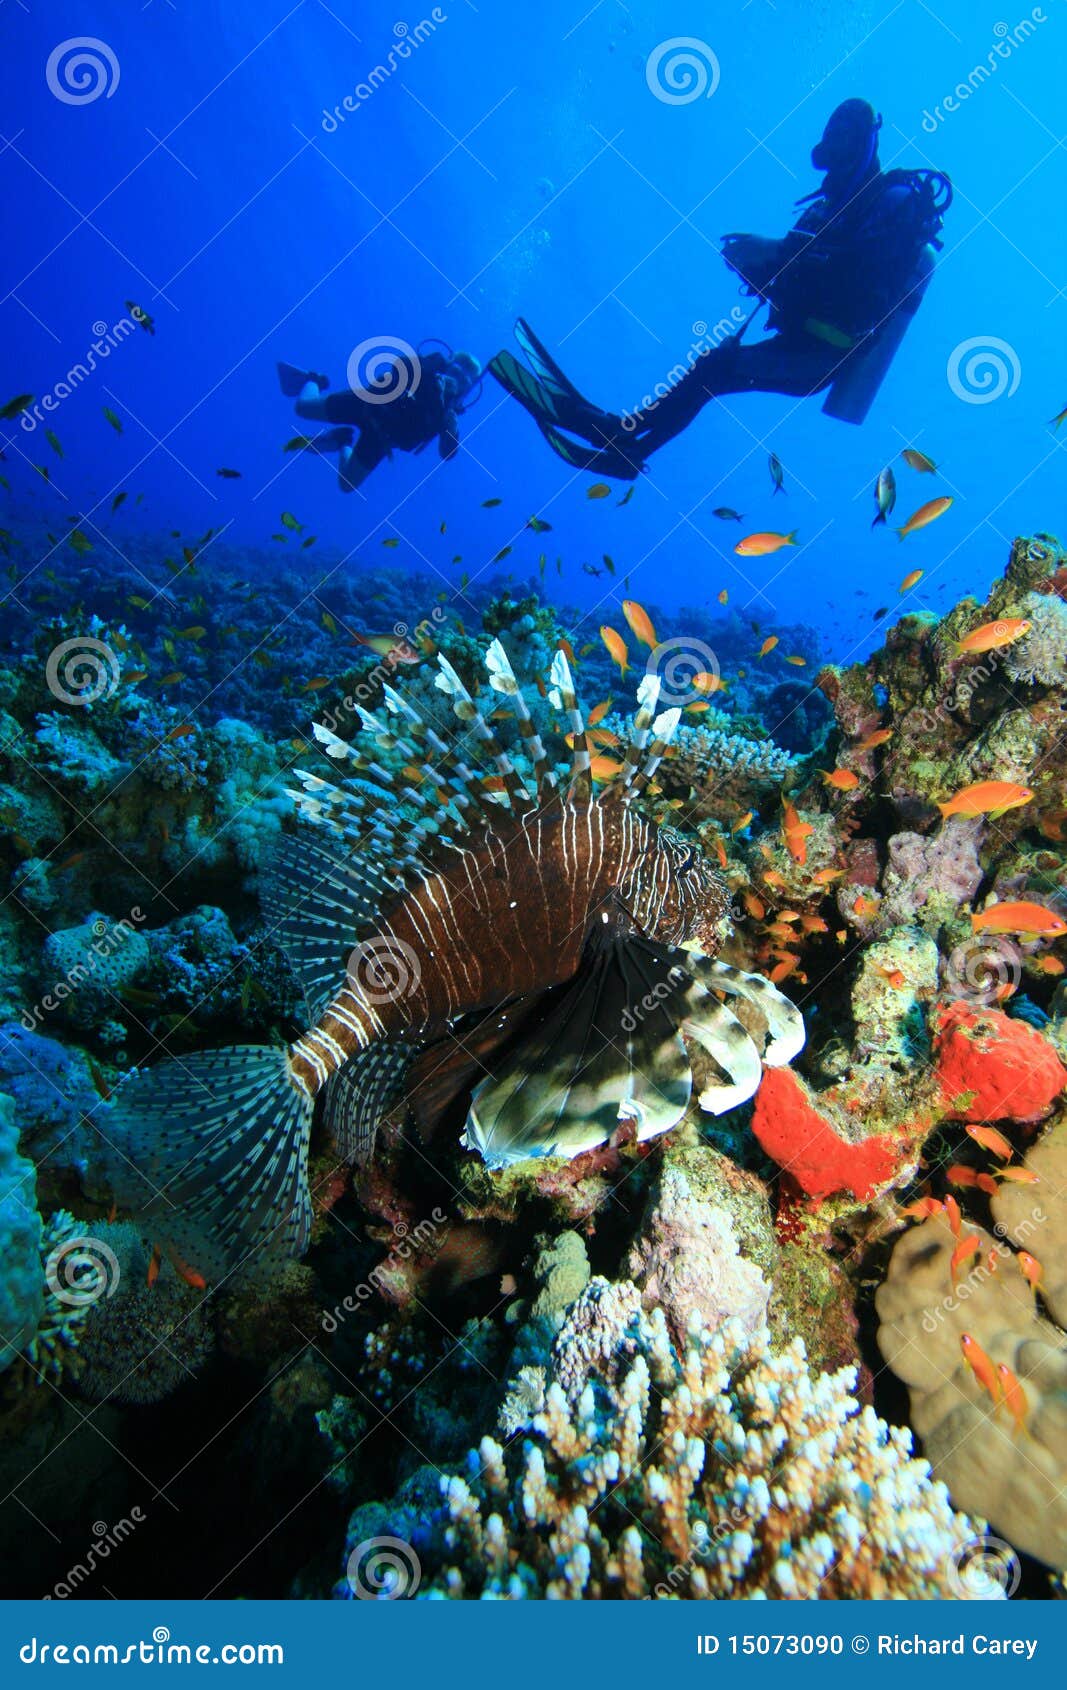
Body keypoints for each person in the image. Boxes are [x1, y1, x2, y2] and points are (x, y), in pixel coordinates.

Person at [489, 101, 951, 480]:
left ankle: (620, 438)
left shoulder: (895, 202)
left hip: (825, 356)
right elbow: (804, 286)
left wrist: (774, 252)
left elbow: (858, 286)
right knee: (713, 368)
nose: (836, 153)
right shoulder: (828, 213)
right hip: (800, 342)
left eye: (847, 140)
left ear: (867, 143)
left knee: (714, 370)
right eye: (832, 143)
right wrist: (759, 272)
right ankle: (622, 441)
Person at [277, 344, 482, 491]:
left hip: (381, 438)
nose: (461, 375)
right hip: (364, 405)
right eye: (459, 366)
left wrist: (452, 432)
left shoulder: (448, 414)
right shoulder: (426, 368)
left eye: (467, 377)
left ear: (468, 387)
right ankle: (314, 380)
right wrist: (431, 376)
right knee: (303, 408)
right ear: (448, 362)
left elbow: (446, 454)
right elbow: (399, 365)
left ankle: (342, 441)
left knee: (347, 484)